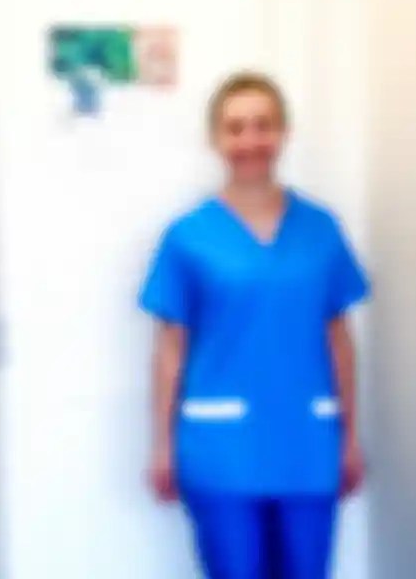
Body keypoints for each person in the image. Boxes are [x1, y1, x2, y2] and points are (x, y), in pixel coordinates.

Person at [139, 71, 369, 579]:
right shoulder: (188, 236)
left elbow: (339, 339)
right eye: (236, 127)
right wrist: (161, 445)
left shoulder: (320, 229)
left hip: (307, 441)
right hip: (221, 449)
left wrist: (351, 436)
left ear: (283, 133)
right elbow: (170, 348)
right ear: (216, 139)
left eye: (263, 125)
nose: (250, 140)